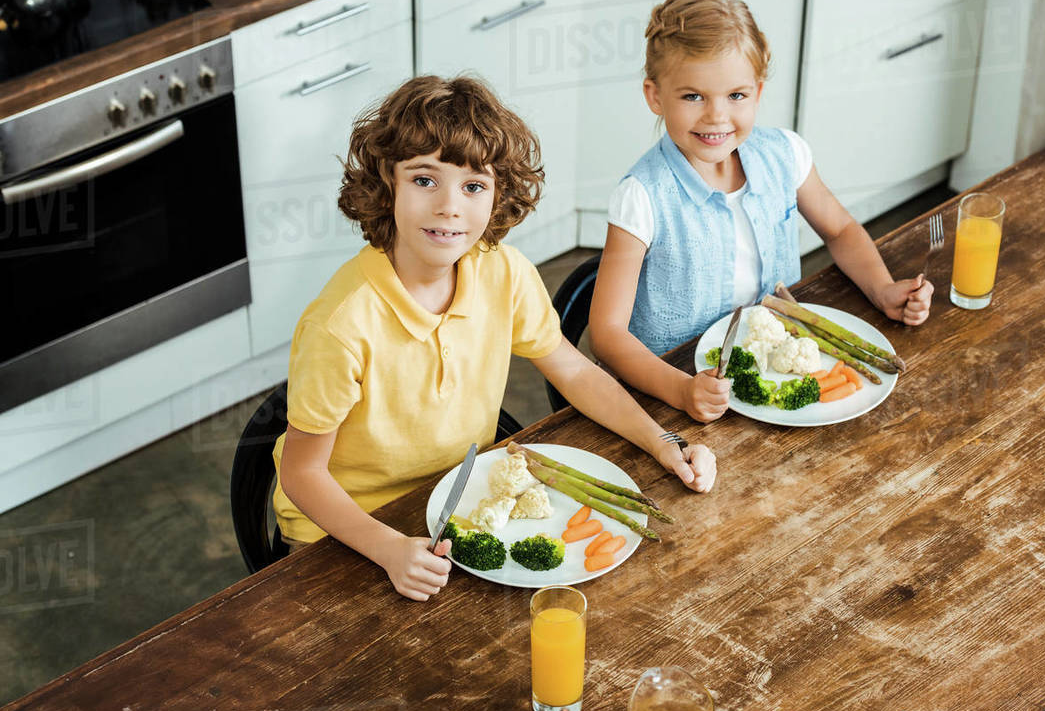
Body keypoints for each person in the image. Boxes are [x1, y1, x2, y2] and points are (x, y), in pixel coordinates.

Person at [274, 75, 716, 601]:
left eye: (473, 186)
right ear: (385, 183)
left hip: (458, 498)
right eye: (424, 180)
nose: (449, 206)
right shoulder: (340, 326)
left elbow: (574, 371)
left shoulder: (502, 271)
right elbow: (301, 474)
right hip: (345, 532)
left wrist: (663, 442)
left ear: (497, 194)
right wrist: (389, 548)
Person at [589, 0, 934, 424]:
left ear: (757, 91)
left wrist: (882, 289)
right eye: (693, 96)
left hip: (772, 373)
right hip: (671, 392)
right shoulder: (643, 196)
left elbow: (840, 230)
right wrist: (680, 390)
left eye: (736, 95)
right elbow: (607, 334)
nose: (717, 116)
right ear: (655, 96)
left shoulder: (784, 155)